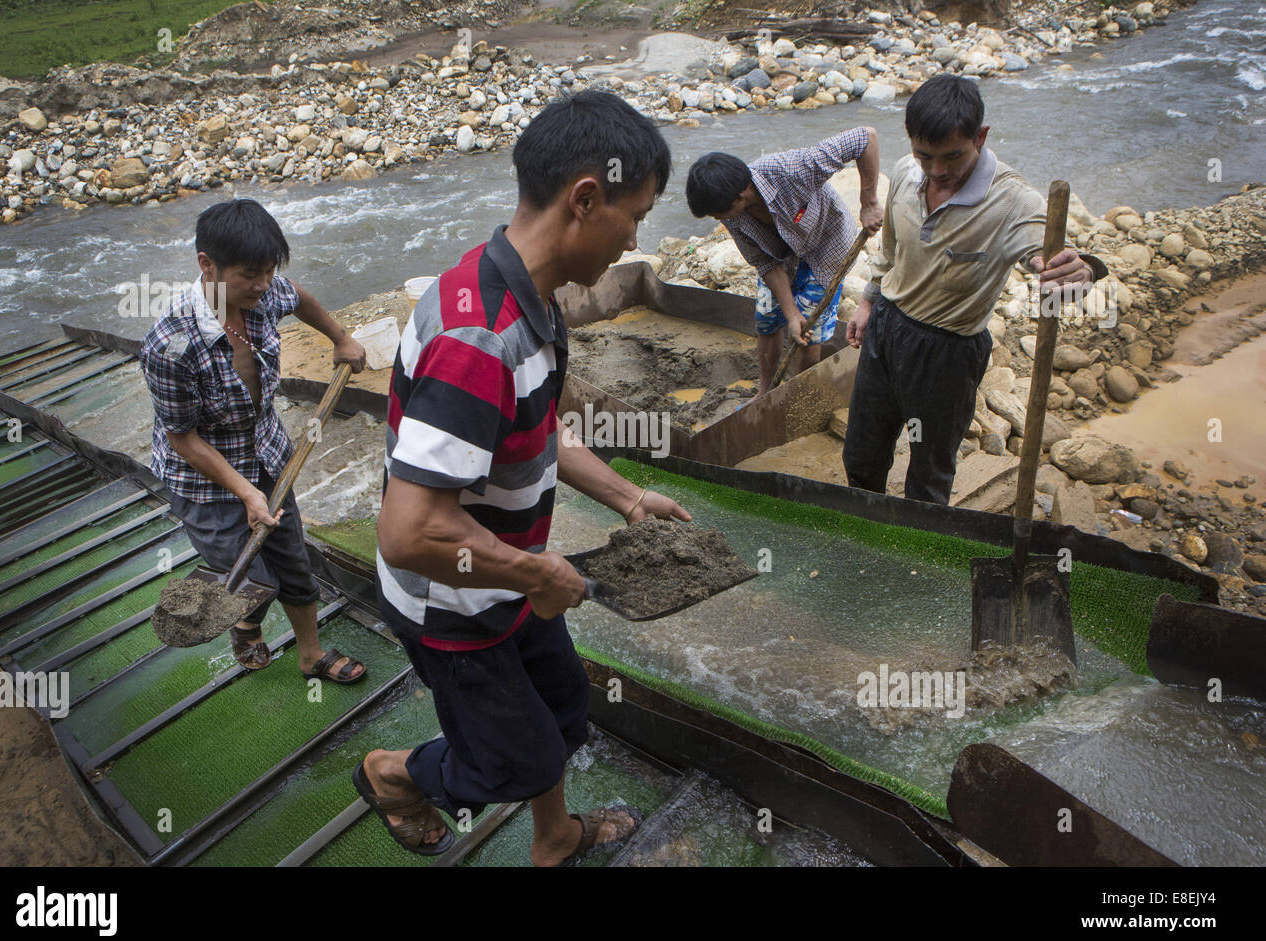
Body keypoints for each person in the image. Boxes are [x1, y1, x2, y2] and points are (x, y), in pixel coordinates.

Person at [356, 90, 691, 866]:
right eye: (634, 216)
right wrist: (538, 570)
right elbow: (409, 532)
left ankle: (554, 841)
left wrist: (628, 496)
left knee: (565, 709)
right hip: (452, 603)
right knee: (514, 761)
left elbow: (542, 432)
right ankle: (392, 776)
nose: (636, 237)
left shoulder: (527, 297)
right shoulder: (479, 337)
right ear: (584, 200)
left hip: (511, 579)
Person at [843, 75, 1108, 504]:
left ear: (980, 137)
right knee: (861, 454)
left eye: (953, 156)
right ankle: (863, 529)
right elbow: (890, 252)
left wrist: (1078, 271)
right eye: (925, 155)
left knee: (928, 472)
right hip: (886, 331)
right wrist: (868, 302)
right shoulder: (907, 174)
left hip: (946, 354)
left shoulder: (1012, 201)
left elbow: (1054, 254)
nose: (938, 170)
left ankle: (916, 557)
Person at [141, 198, 368, 683]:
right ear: (207, 264)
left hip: (266, 453)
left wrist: (340, 338)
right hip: (206, 478)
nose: (263, 285)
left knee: (292, 559)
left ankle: (310, 656)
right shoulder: (171, 344)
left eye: (268, 272)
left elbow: (297, 296)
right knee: (252, 580)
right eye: (250, 274)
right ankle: (246, 623)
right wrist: (245, 493)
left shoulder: (261, 292)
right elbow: (183, 438)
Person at [685, 127, 883, 400]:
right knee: (767, 318)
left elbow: (866, 137)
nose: (720, 220)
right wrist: (790, 314)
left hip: (826, 248)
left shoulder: (791, 170)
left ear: (740, 196)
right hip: (781, 257)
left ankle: (795, 398)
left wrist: (869, 202)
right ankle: (766, 391)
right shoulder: (731, 216)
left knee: (807, 333)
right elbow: (764, 263)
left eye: (720, 213)